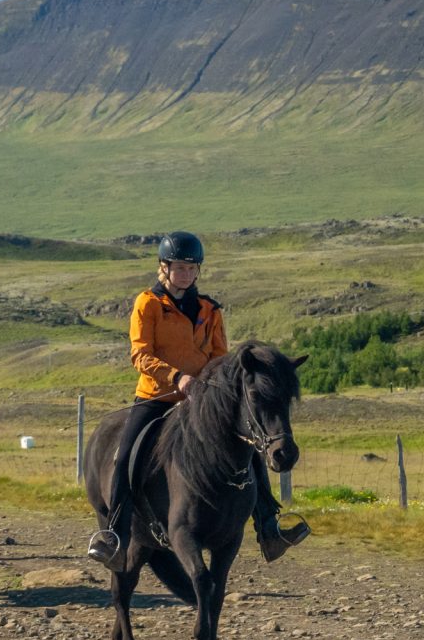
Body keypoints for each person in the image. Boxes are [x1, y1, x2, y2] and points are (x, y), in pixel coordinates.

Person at [85, 231, 309, 570]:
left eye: (192, 268)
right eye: (179, 267)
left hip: (200, 402)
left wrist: (211, 384)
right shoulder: (148, 304)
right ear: (164, 268)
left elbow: (220, 357)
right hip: (156, 396)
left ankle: (269, 526)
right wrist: (177, 377)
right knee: (127, 455)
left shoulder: (209, 309)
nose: (186, 274)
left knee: (248, 450)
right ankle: (114, 534)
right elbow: (140, 354)